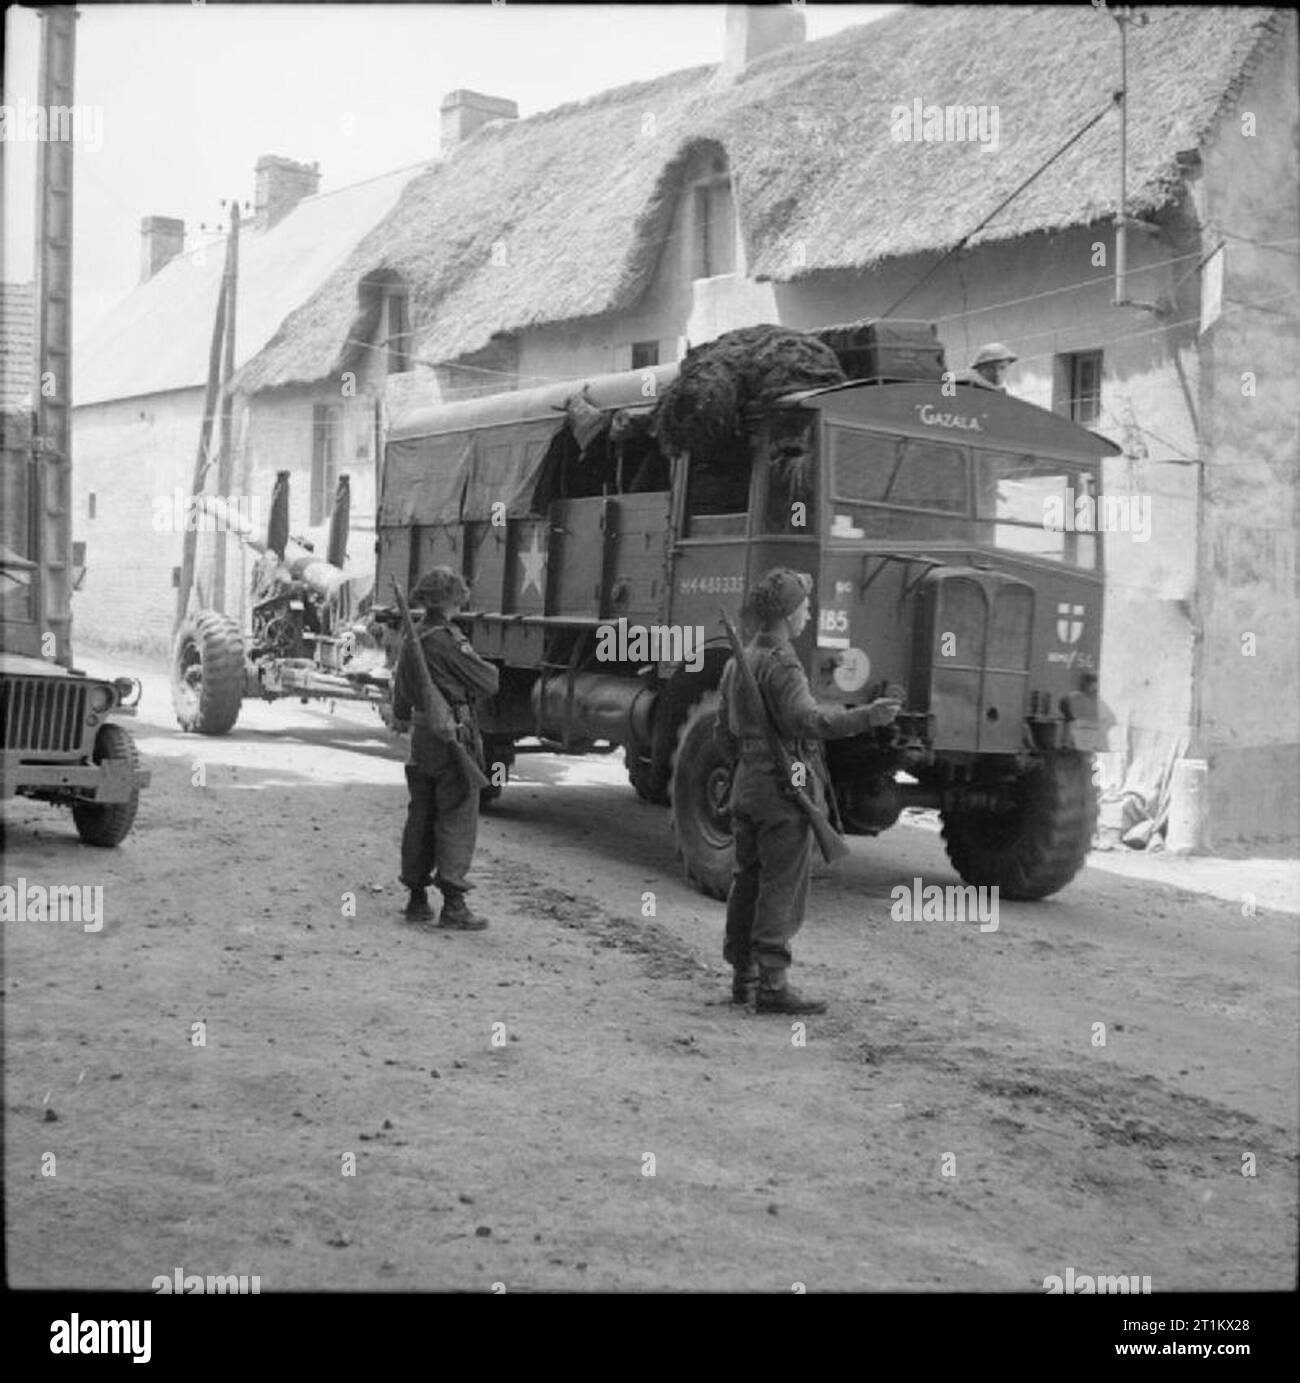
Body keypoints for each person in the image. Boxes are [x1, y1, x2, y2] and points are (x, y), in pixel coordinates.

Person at [714, 568, 900, 1014]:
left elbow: (723, 735)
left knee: (747, 882)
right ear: (789, 613)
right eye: (805, 607)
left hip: (746, 787)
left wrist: (752, 761)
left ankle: (744, 978)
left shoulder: (735, 662)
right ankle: (774, 987)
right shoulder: (782, 662)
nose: (809, 613)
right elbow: (811, 721)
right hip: (783, 792)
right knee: (782, 887)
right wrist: (869, 716)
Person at [391, 566, 499, 930]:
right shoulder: (447, 639)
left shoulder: (412, 636)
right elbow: (489, 681)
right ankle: (453, 905)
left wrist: (404, 713)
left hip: (422, 739)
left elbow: (401, 696)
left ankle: (416, 899)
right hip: (452, 737)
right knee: (456, 812)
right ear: (452, 600)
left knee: (421, 815)